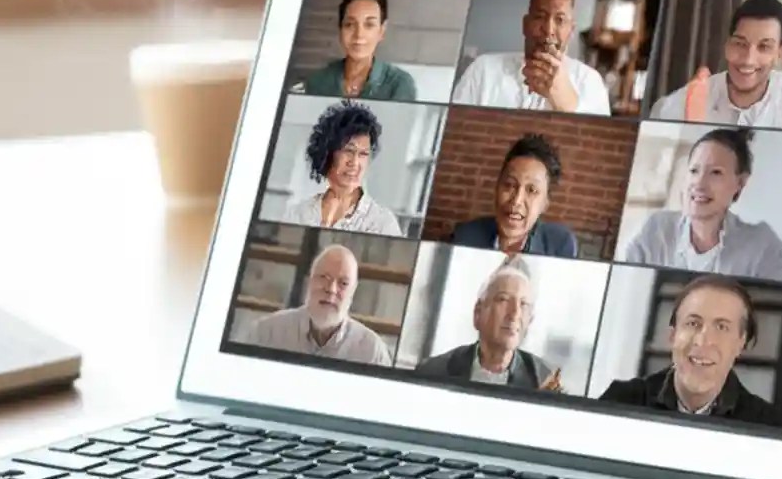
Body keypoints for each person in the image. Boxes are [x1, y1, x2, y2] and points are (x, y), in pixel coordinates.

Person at [600, 274, 782, 427]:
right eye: (693, 323)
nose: (702, 341)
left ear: (740, 344)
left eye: (722, 327)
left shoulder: (773, 424)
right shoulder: (620, 400)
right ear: (672, 335)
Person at [649, 0, 782, 132]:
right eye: (740, 44)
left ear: (779, 54)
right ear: (726, 46)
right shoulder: (685, 102)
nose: (748, 59)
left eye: (764, 47)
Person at [621, 127, 782, 281]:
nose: (699, 184)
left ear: (740, 183)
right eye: (694, 171)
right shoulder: (656, 229)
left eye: (716, 172)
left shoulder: (763, 246)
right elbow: (624, 282)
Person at [452, 0, 611, 115]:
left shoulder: (591, 83)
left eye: (560, 20)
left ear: (571, 30)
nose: (548, 29)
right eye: (540, 17)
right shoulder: (483, 70)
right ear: (525, 25)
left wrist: (569, 106)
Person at [414, 257, 563, 391]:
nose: (515, 314)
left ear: (530, 320)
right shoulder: (432, 371)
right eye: (503, 299)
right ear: (478, 313)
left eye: (523, 304)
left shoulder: (545, 380)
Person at [234, 243, 393, 366]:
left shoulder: (372, 353)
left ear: (353, 291)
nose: (331, 289)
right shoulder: (265, 333)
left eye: (343, 283)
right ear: (309, 282)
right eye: (323, 277)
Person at [282, 100, 404, 236]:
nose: (355, 162)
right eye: (348, 151)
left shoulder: (382, 223)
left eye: (363, 154)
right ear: (328, 153)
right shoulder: (298, 214)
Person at [450, 134, 579, 258]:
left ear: (545, 204)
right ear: (497, 187)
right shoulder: (464, 238)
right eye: (509, 185)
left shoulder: (559, 247)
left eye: (532, 190)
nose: (517, 200)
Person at [296, 0, 418, 101]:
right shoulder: (318, 81)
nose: (359, 35)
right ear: (340, 29)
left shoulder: (399, 85)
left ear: (381, 31)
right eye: (350, 25)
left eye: (369, 24)